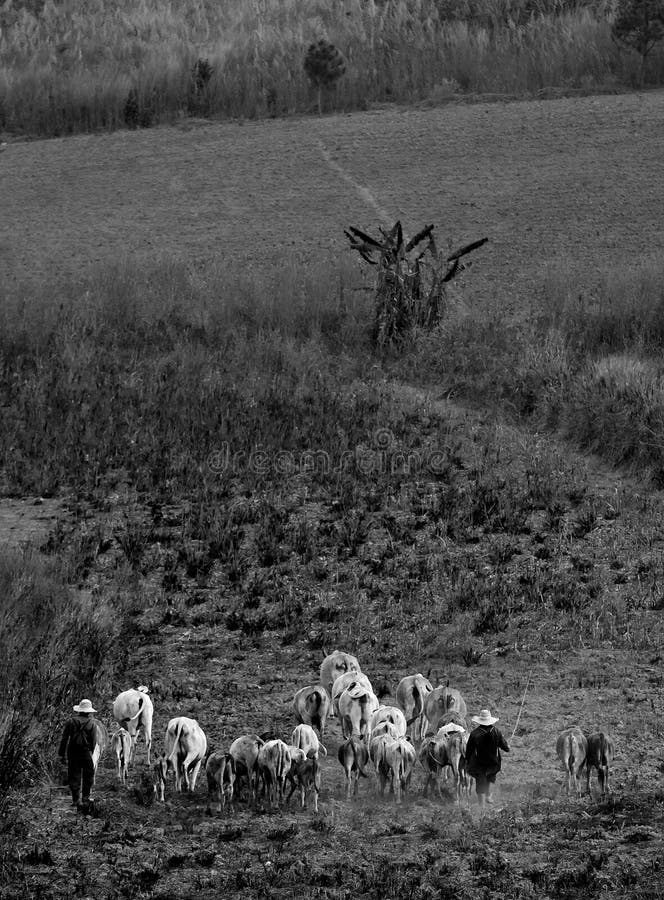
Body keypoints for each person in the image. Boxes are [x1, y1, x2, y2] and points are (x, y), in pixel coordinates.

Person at [58, 698, 101, 812]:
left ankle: (75, 800)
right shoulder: (92, 724)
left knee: (74, 775)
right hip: (86, 752)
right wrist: (90, 752)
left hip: (72, 752)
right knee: (88, 776)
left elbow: (64, 739)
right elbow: (93, 741)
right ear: (89, 712)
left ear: (79, 710)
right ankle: (85, 799)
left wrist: (62, 754)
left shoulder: (70, 722)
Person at [465, 708, 510, 812]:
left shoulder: (474, 734)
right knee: (490, 776)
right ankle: (488, 795)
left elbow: (469, 750)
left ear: (480, 721)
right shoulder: (496, 731)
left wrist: (467, 760)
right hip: (493, 763)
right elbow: (504, 746)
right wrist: (508, 747)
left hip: (479, 763)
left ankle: (482, 806)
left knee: (480, 781)